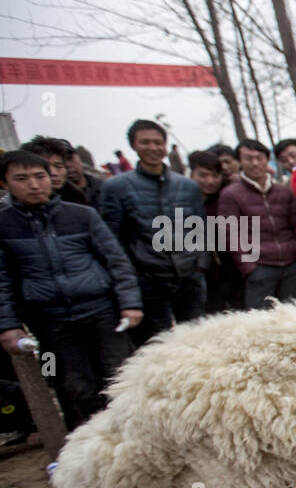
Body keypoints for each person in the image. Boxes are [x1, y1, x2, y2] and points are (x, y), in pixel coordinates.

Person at [0, 150, 142, 429]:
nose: (33, 184)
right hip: (50, 320)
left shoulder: (81, 216)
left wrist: (130, 302)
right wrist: (7, 324)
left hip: (103, 313)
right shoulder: (4, 226)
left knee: (122, 377)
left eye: (40, 176)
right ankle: (94, 443)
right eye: (22, 178)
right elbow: (1, 279)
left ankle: (136, 436)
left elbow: (117, 261)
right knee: (74, 385)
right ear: (4, 184)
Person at [99, 119, 205, 343]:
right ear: (134, 146)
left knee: (197, 341)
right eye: (145, 142)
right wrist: (132, 277)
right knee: (155, 344)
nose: (153, 148)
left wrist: (199, 266)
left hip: (188, 278)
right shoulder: (116, 187)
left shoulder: (187, 186)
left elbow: (201, 228)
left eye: (158, 142)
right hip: (148, 280)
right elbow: (111, 240)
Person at [219, 139, 296, 309]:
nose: (255, 163)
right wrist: (249, 267)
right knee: (262, 323)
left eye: (259, 158)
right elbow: (230, 233)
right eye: (248, 158)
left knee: (292, 320)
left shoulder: (283, 192)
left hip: (291, 266)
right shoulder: (230, 195)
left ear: (267, 160)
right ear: (239, 161)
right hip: (260, 268)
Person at [188, 149, 242, 314]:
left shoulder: (228, 198)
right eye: (203, 175)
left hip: (234, 269)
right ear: (191, 174)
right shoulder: (184, 201)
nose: (210, 181)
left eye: (215, 176)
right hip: (201, 272)